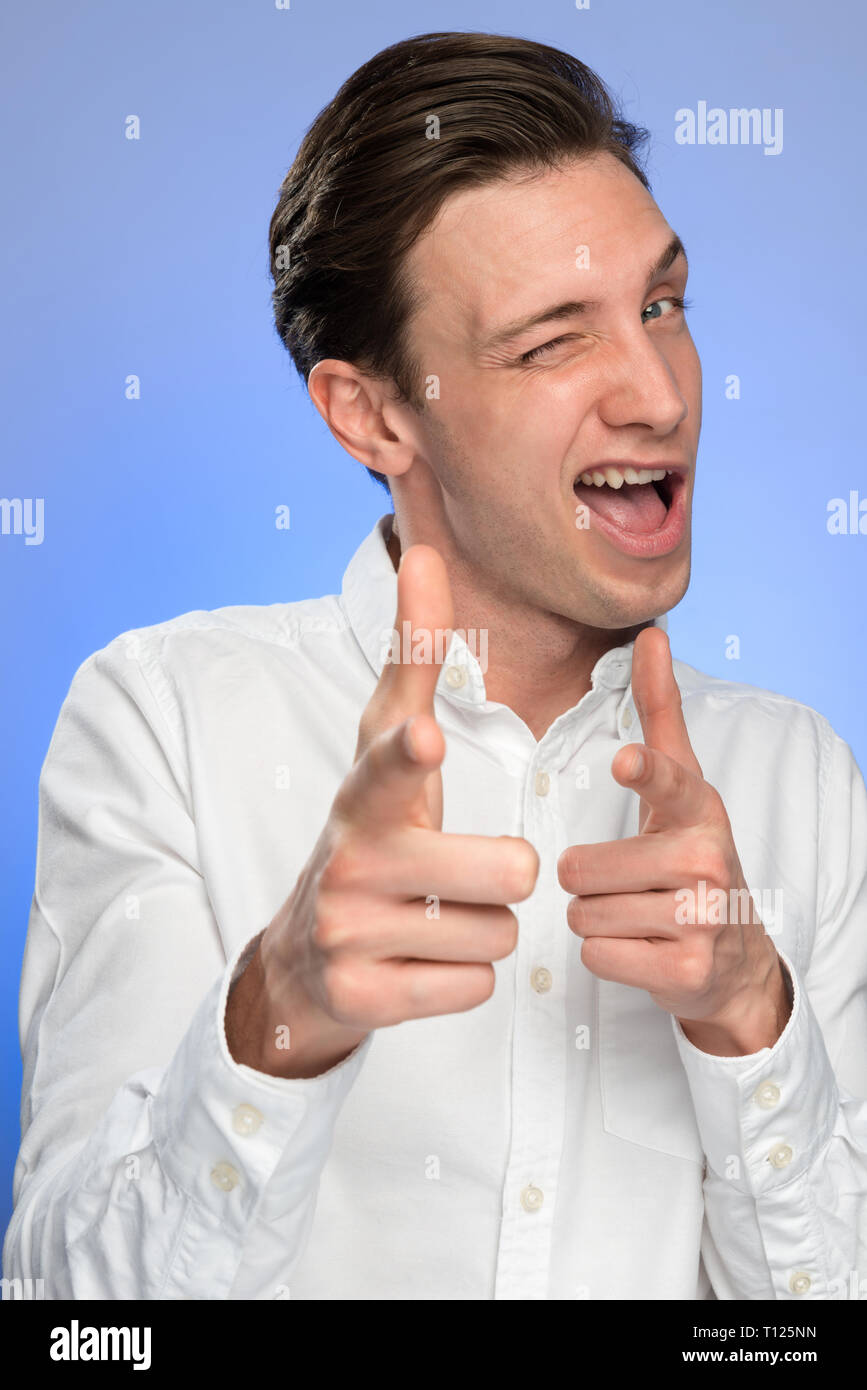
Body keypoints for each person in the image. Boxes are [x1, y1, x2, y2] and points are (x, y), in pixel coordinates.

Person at [4, 30, 866, 1302]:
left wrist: (753, 1021)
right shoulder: (163, 722)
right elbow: (78, 1336)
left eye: (660, 305)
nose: (661, 395)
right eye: (552, 342)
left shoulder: (794, 775)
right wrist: (277, 1016)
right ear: (373, 414)